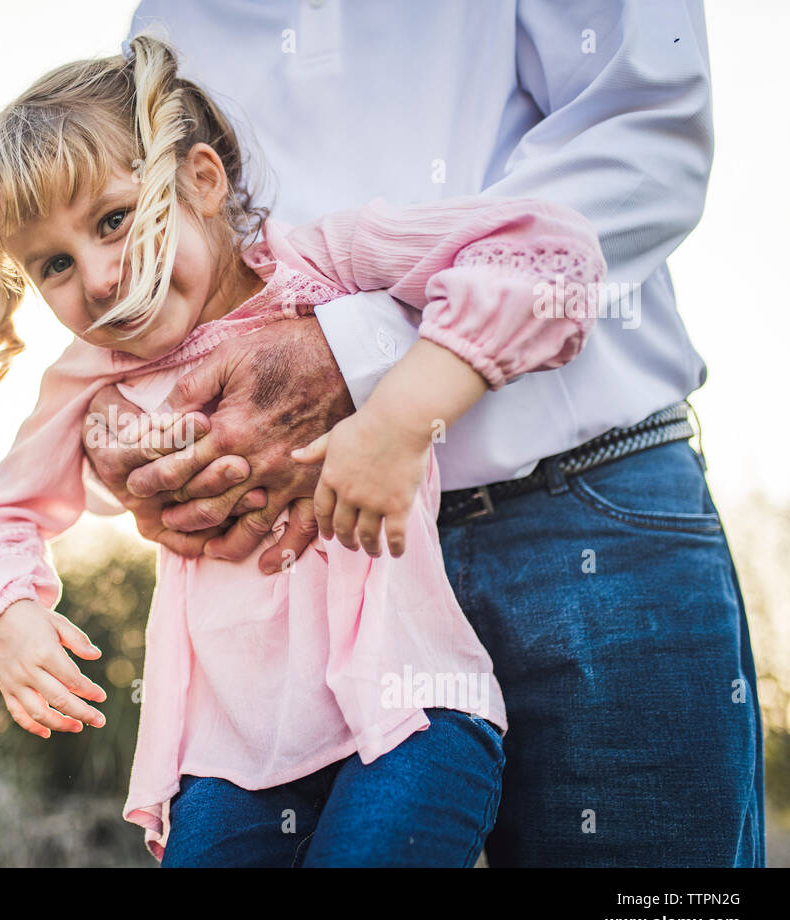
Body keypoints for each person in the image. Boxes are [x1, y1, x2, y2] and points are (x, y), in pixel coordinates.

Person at [77, 0, 763, 867]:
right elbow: (155, 265)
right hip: (303, 568)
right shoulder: (168, 18)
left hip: (586, 518)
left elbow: (642, 141)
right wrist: (124, 435)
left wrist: (370, 359)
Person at [0, 33, 609, 864]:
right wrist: (8, 618)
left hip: (410, 711)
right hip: (225, 761)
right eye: (54, 265)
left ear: (202, 180)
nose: (100, 278)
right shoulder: (85, 381)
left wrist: (399, 418)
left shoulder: (326, 265)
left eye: (115, 220)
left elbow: (552, 257)